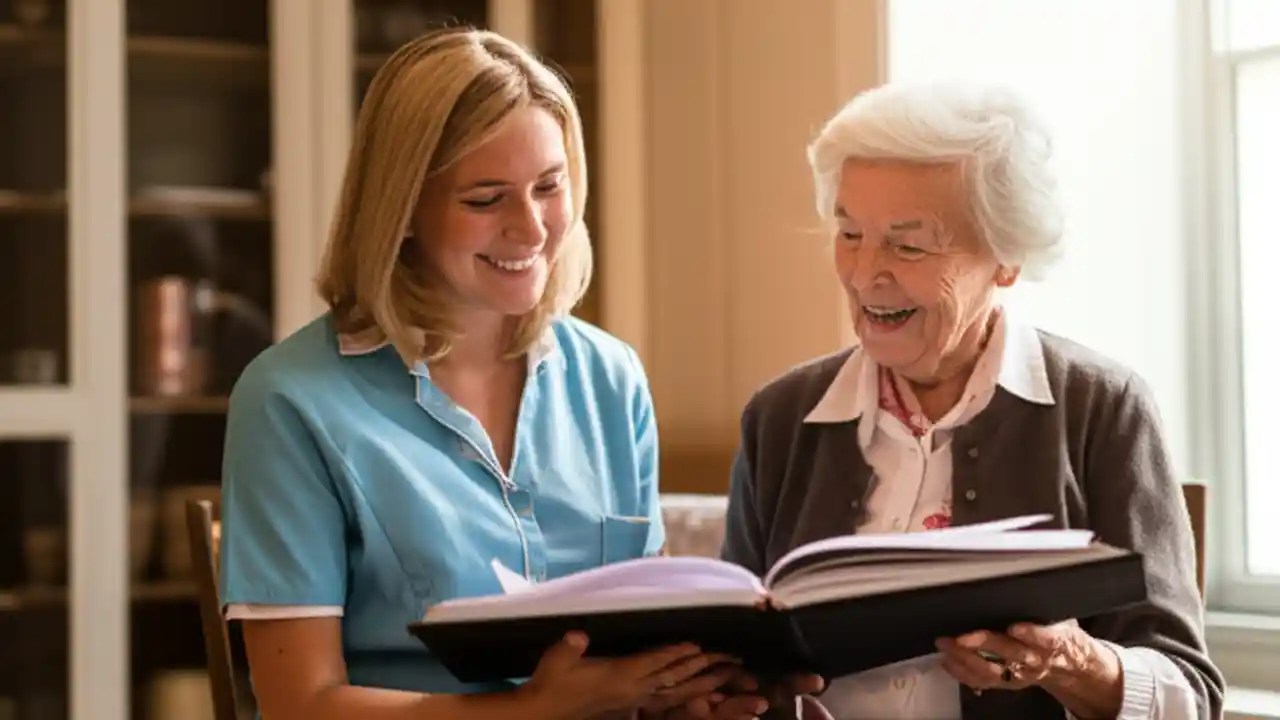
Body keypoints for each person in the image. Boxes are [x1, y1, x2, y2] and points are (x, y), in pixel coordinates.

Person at [218, 27, 764, 720]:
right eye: (486, 199)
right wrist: (534, 711)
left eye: (549, 187)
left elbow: (643, 648)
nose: (532, 228)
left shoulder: (610, 377)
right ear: (402, 210)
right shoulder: (290, 401)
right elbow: (302, 705)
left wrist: (696, 694)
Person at [720, 82, 1225, 719]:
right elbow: (735, 657)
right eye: (849, 233)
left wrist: (1073, 661)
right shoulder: (780, 418)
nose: (866, 271)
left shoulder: (1103, 409)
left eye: (908, 244)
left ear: (1006, 259)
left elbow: (1191, 696)